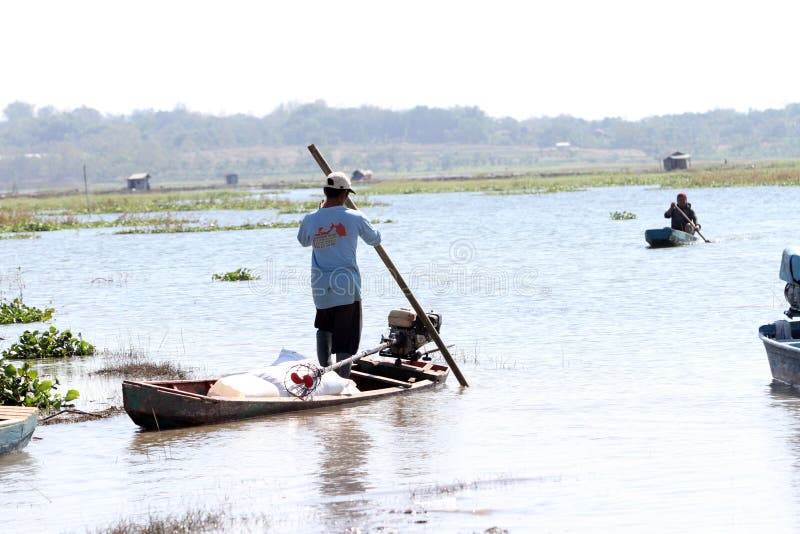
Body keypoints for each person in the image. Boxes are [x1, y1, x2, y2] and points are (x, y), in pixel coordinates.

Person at [297, 171, 382, 378]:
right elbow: (375, 239)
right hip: (346, 286)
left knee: (324, 327)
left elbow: (304, 240)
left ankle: (325, 375)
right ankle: (341, 380)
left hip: (320, 286)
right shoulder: (355, 217)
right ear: (344, 195)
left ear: (326, 193)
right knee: (347, 336)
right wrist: (364, 220)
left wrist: (318, 216)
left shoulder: (311, 218)